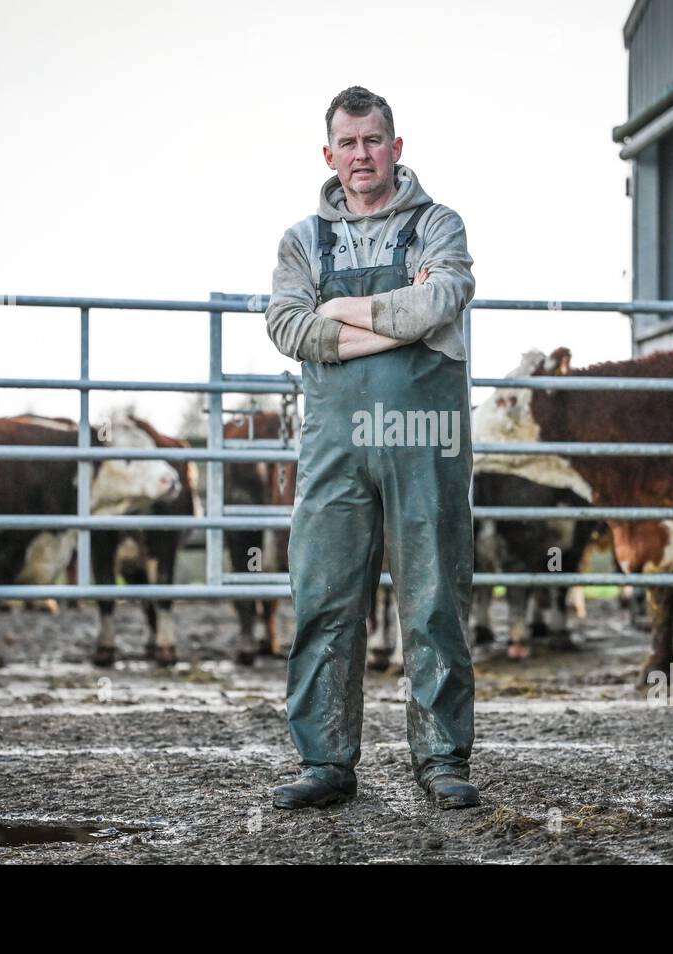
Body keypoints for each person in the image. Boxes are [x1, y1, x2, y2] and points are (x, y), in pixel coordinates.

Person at [264, 86, 480, 810]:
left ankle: (443, 759)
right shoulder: (303, 240)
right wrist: (398, 325)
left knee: (432, 600)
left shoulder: (436, 224)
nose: (362, 155)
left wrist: (343, 311)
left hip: (425, 443)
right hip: (335, 451)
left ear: (396, 147)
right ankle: (325, 762)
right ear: (330, 154)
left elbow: (442, 299)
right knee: (324, 600)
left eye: (373, 141)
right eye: (348, 143)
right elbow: (288, 327)